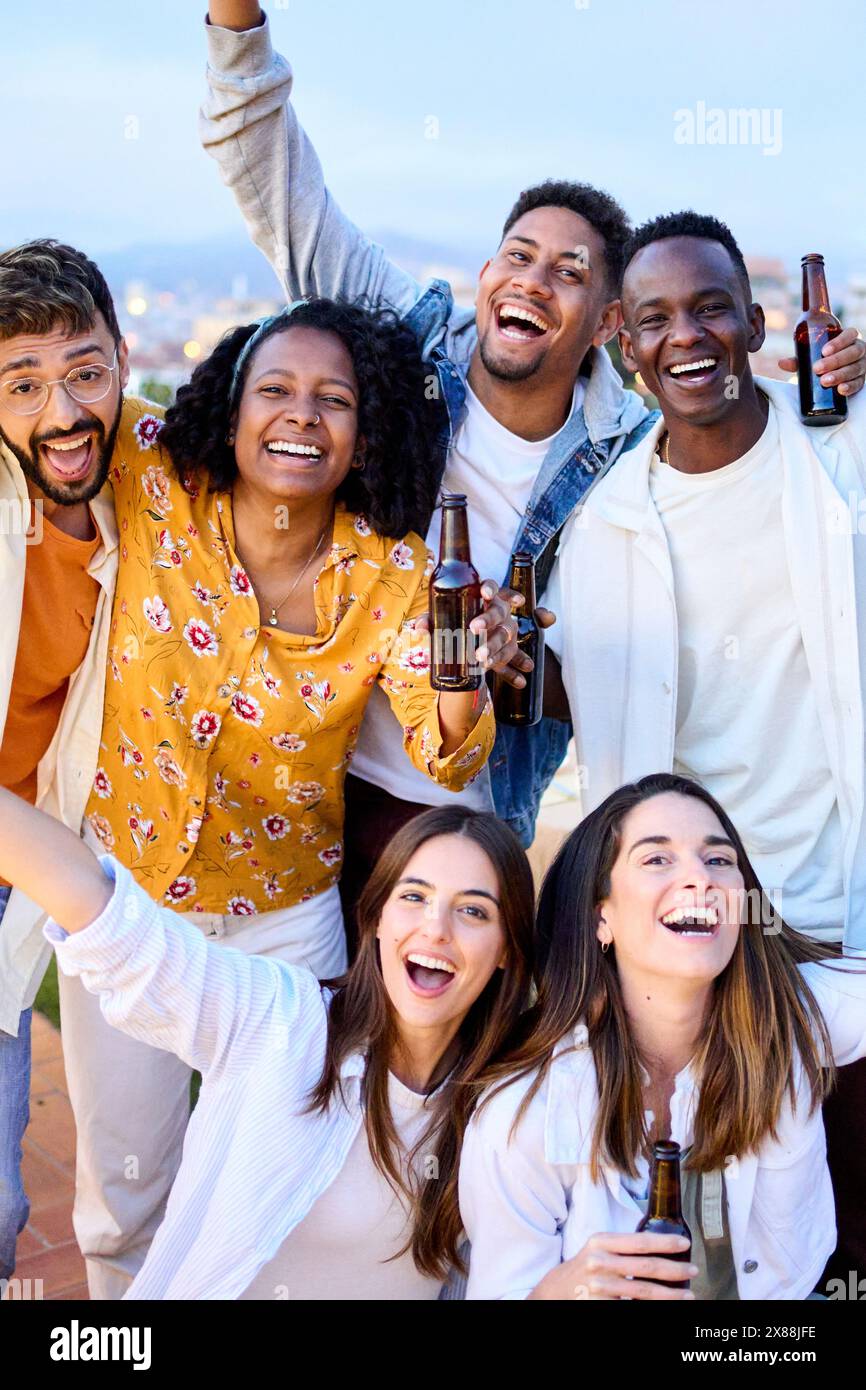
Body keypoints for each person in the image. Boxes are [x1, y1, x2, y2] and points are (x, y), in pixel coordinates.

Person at [199, 3, 866, 928]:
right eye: (518, 256)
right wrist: (239, 23)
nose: (531, 279)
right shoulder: (408, 338)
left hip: (470, 815)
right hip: (314, 770)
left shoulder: (633, 461)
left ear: (606, 327)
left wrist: (841, 396)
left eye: (568, 271)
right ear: (484, 275)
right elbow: (280, 190)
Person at [63, 295, 520, 1300]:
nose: (300, 414)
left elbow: (447, 757)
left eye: (332, 400)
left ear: (364, 437)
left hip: (285, 927)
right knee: (123, 1196)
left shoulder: (398, 576)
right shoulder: (152, 479)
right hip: (132, 902)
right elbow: (46, 403)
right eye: (273, 389)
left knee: (288, 1186)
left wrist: (462, 675)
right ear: (228, 409)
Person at [544, 211, 866, 1279]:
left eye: (709, 307)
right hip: (695, 935)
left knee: (842, 1222)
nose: (685, 335)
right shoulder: (601, 524)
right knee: (695, 1237)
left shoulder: (840, 457)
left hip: (834, 918)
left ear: (756, 323)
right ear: (623, 348)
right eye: (654, 318)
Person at [0, 784, 535, 1299]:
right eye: (414, 897)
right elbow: (97, 907)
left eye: (473, 911)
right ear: (375, 919)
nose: (436, 927)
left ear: (508, 949)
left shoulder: (513, 1102)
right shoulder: (280, 1019)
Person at [459, 774, 866, 1300]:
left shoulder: (793, 1015)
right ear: (600, 915)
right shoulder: (521, 1117)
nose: (699, 877)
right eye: (657, 859)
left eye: (719, 860)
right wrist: (560, 1292)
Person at [0, 238, 157, 1282]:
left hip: (30, 857)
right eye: (22, 383)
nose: (61, 412)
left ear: (124, 362)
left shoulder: (150, 470)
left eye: (83, 371)